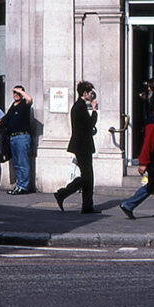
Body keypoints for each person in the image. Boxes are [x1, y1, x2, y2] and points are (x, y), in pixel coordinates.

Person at [54, 81, 99, 213]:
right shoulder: (80, 107)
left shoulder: (79, 106)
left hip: (82, 145)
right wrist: (94, 110)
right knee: (87, 177)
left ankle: (87, 206)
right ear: (85, 93)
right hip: (82, 146)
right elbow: (89, 123)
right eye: (91, 93)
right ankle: (63, 193)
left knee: (88, 177)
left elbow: (84, 127)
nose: (92, 96)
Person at [0, 85, 33, 194]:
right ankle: (19, 185)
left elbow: (30, 99)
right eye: (14, 93)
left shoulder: (24, 105)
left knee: (23, 162)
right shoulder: (13, 105)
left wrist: (20, 91)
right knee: (16, 163)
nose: (16, 95)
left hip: (22, 137)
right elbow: (4, 119)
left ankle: (24, 186)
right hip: (13, 137)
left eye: (18, 93)